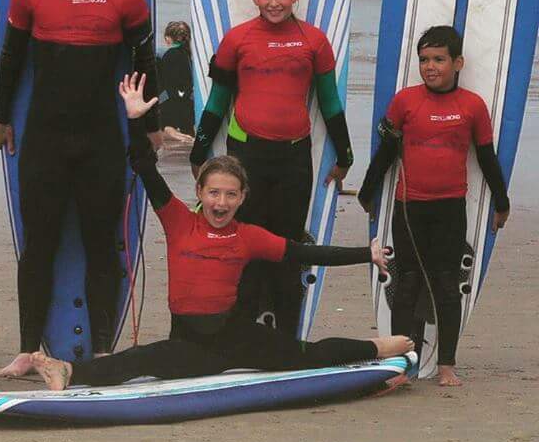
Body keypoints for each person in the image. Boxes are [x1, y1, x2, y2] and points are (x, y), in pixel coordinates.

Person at [32, 75, 411, 389]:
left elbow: (304, 253)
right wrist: (134, 120)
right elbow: (143, 167)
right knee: (140, 359)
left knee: (305, 355)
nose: (221, 202)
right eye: (214, 192)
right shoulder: (178, 220)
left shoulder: (248, 236)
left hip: (237, 339)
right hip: (189, 345)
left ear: (242, 198)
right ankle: (67, 370)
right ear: (199, 193)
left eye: (231, 194)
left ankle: (377, 349)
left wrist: (368, 253)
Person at [0, 0, 157, 378]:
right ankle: (27, 349)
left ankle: (103, 350)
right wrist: (2, 118)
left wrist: (145, 128)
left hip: (102, 142)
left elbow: (146, 68)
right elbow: (12, 61)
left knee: (102, 244)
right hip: (44, 139)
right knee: (39, 244)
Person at [190, 0, 351, 333]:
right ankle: (240, 333)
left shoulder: (314, 40)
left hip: (294, 157)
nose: (274, 2)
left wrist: (345, 153)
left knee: (288, 248)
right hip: (246, 157)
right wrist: (199, 153)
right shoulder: (237, 39)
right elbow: (217, 102)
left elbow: (329, 102)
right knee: (243, 247)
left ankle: (286, 339)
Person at [357, 25, 511, 388]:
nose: (430, 66)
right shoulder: (405, 101)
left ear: (457, 62)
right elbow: (386, 155)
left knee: (445, 285)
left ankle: (446, 366)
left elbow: (487, 158)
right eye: (424, 59)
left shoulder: (472, 105)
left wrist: (501, 203)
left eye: (439, 59)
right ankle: (400, 366)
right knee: (407, 283)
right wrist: (367, 193)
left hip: (450, 209)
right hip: (410, 208)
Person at [155, 21, 195, 137]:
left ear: (168, 38)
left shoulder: (169, 55)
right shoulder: (187, 55)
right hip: (187, 104)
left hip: (171, 105)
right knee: (188, 133)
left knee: (171, 131)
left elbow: (167, 84)